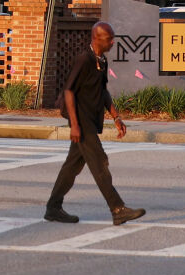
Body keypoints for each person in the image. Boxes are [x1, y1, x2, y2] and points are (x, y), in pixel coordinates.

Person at [44, 20, 145, 226]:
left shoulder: (102, 61)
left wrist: (116, 117)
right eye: (109, 39)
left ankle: (53, 208)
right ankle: (117, 209)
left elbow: (103, 91)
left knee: (72, 167)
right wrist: (74, 124)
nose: (113, 42)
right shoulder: (84, 60)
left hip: (90, 119)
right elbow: (69, 91)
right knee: (99, 162)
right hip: (81, 121)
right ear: (96, 39)